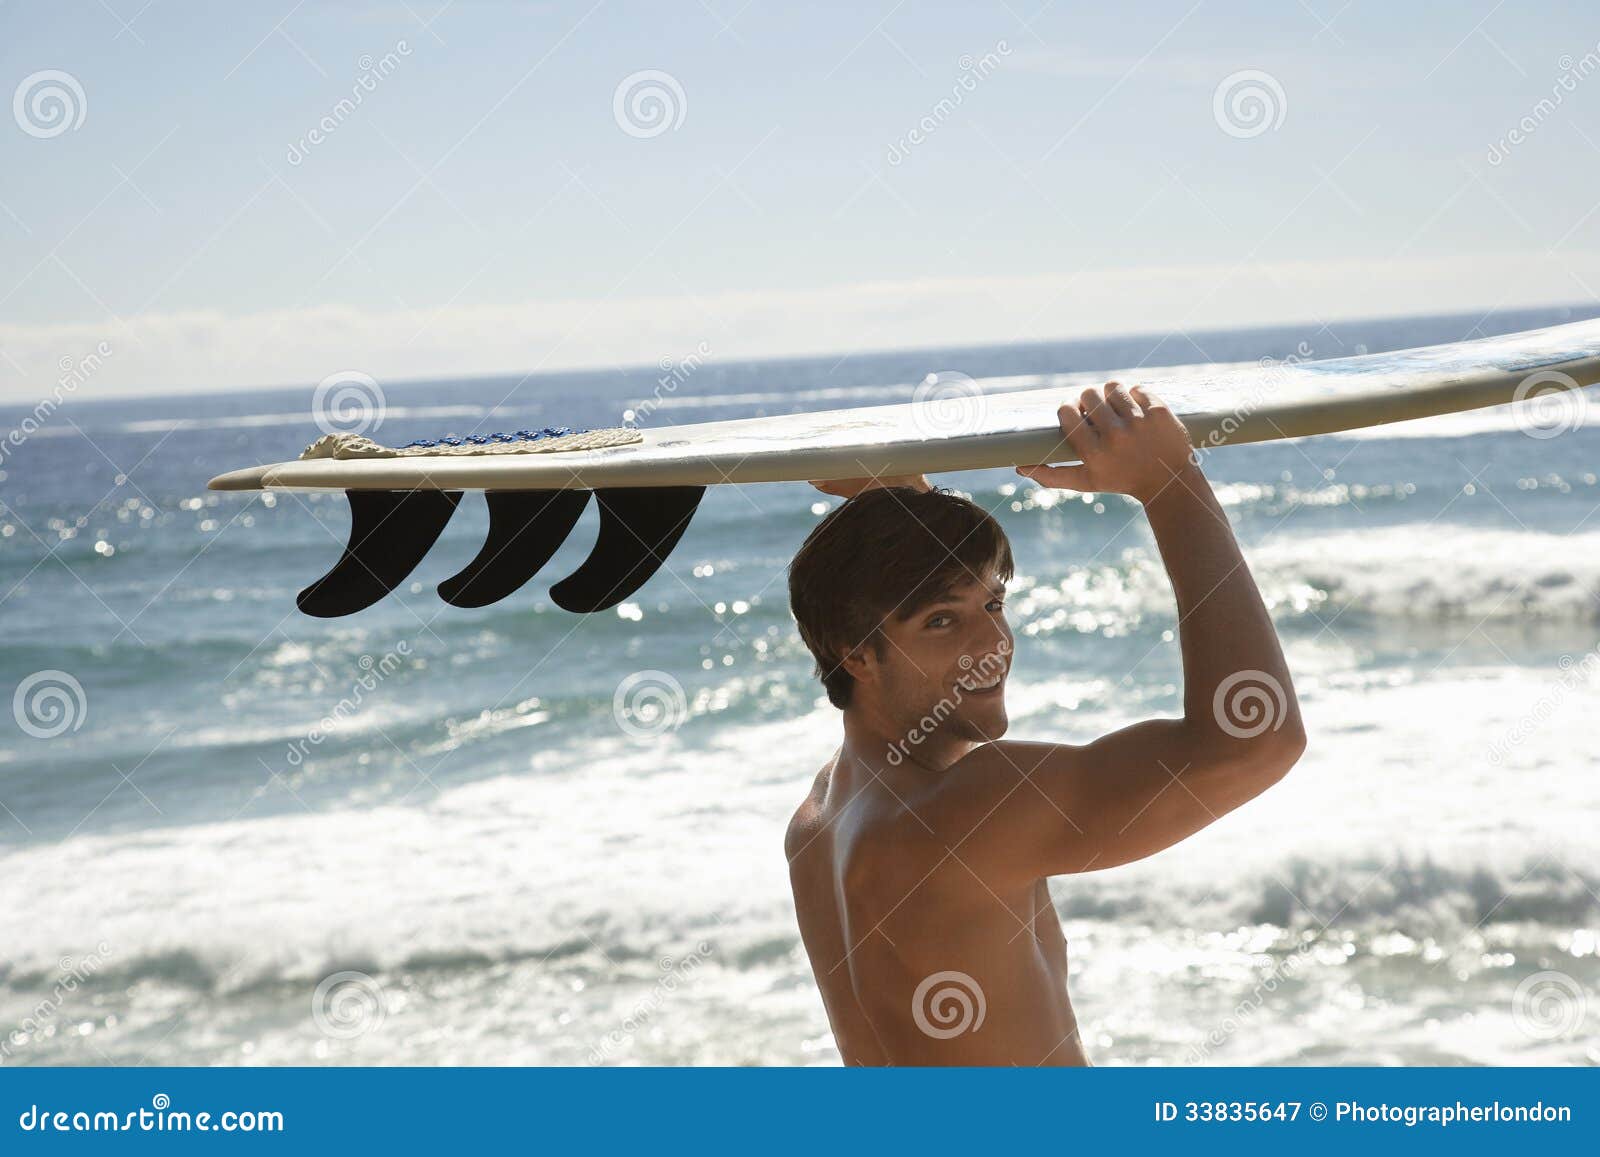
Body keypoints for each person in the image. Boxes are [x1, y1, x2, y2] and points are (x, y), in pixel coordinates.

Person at [784, 382, 1306, 1065]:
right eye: (942, 622)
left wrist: (905, 498)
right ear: (855, 654)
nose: (992, 643)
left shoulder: (819, 823)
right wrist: (1170, 483)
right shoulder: (959, 813)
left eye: (993, 604)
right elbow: (1257, 740)